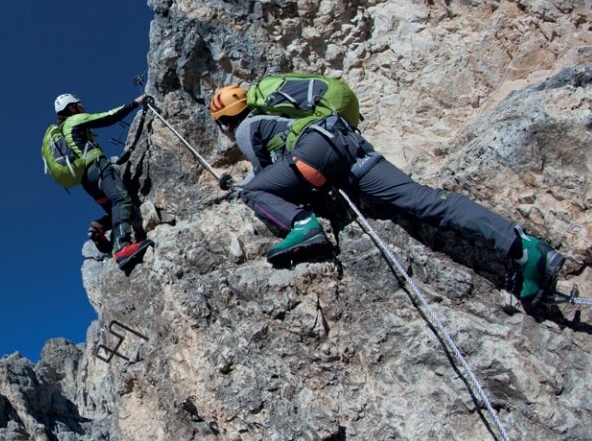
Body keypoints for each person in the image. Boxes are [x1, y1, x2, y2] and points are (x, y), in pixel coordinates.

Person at [209, 75, 565, 307]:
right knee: (424, 201)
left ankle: (303, 228)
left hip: (317, 152)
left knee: (254, 191)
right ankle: (524, 249)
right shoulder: (281, 117)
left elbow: (263, 175)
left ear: (226, 122)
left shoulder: (247, 127)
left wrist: (242, 190)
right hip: (352, 149)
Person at [51, 92, 151, 268]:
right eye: (77, 104)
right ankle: (122, 247)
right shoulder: (75, 120)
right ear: (71, 107)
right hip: (97, 169)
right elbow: (109, 117)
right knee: (121, 200)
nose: (81, 106)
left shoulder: (63, 130)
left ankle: (99, 227)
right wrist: (135, 102)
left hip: (86, 181)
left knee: (115, 210)